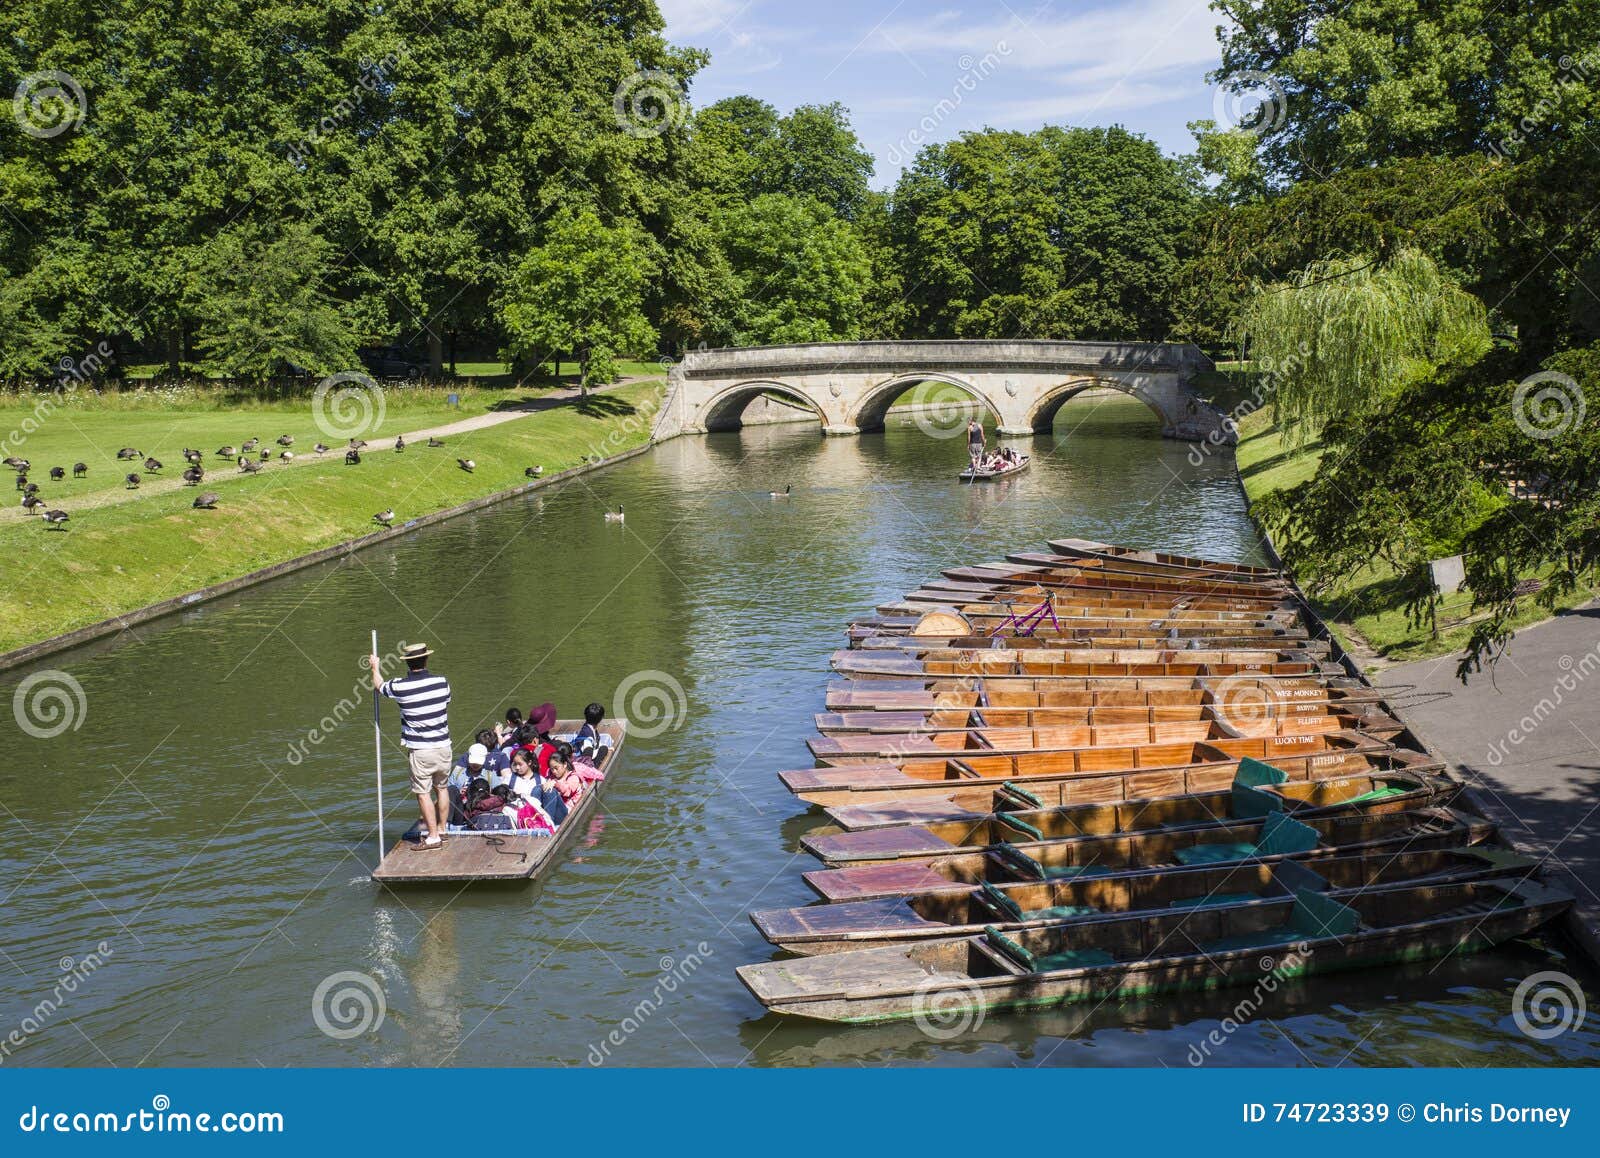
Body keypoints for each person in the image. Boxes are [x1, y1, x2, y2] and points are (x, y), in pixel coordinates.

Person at [370, 642, 452, 850]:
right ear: (426, 659)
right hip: (444, 746)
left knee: (423, 792)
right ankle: (442, 829)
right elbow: (446, 702)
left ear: (407, 663)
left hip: (421, 751)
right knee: (441, 788)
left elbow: (379, 685)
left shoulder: (400, 686)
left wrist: (374, 667)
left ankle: (433, 837)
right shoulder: (442, 682)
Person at [506, 745, 568, 826]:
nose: (517, 767)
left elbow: (566, 790)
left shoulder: (540, 779)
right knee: (539, 789)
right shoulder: (510, 779)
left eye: (520, 764)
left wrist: (554, 783)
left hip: (542, 814)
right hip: (521, 815)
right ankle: (545, 823)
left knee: (543, 789)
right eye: (515, 764)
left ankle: (547, 822)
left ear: (529, 762)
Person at [572, 702, 611, 767]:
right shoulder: (588, 734)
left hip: (588, 752)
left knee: (604, 747)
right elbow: (588, 751)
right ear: (601, 718)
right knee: (604, 749)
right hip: (585, 760)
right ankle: (594, 767)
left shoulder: (588, 727)